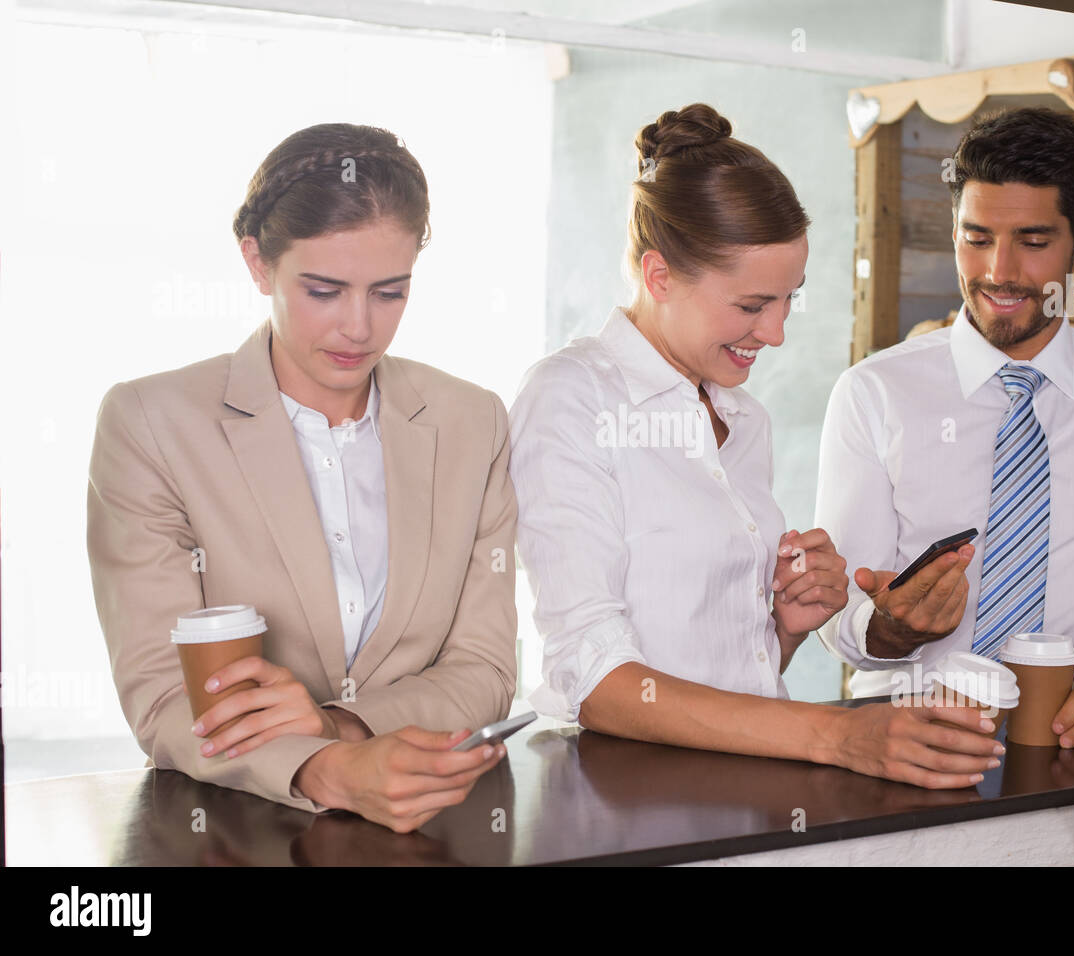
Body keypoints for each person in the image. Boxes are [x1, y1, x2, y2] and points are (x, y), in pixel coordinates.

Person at [509, 103, 1004, 790]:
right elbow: (595, 679)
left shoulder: (741, 415)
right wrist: (838, 736)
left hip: (746, 796)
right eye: (750, 306)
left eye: (787, 301)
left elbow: (734, 673)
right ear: (658, 277)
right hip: (624, 808)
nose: (774, 334)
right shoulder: (570, 397)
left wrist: (788, 625)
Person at [87, 123, 517, 833]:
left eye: (390, 292)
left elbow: (485, 669)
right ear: (257, 264)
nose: (359, 328)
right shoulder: (150, 422)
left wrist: (339, 726)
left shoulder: (473, 421)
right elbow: (164, 699)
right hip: (235, 833)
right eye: (323, 290)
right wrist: (328, 769)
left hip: (437, 827)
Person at [816, 107, 1074, 750]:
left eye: (1032, 242)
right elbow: (842, 614)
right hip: (904, 734)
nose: (999, 271)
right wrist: (892, 628)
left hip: (1073, 741)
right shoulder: (873, 393)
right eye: (976, 239)